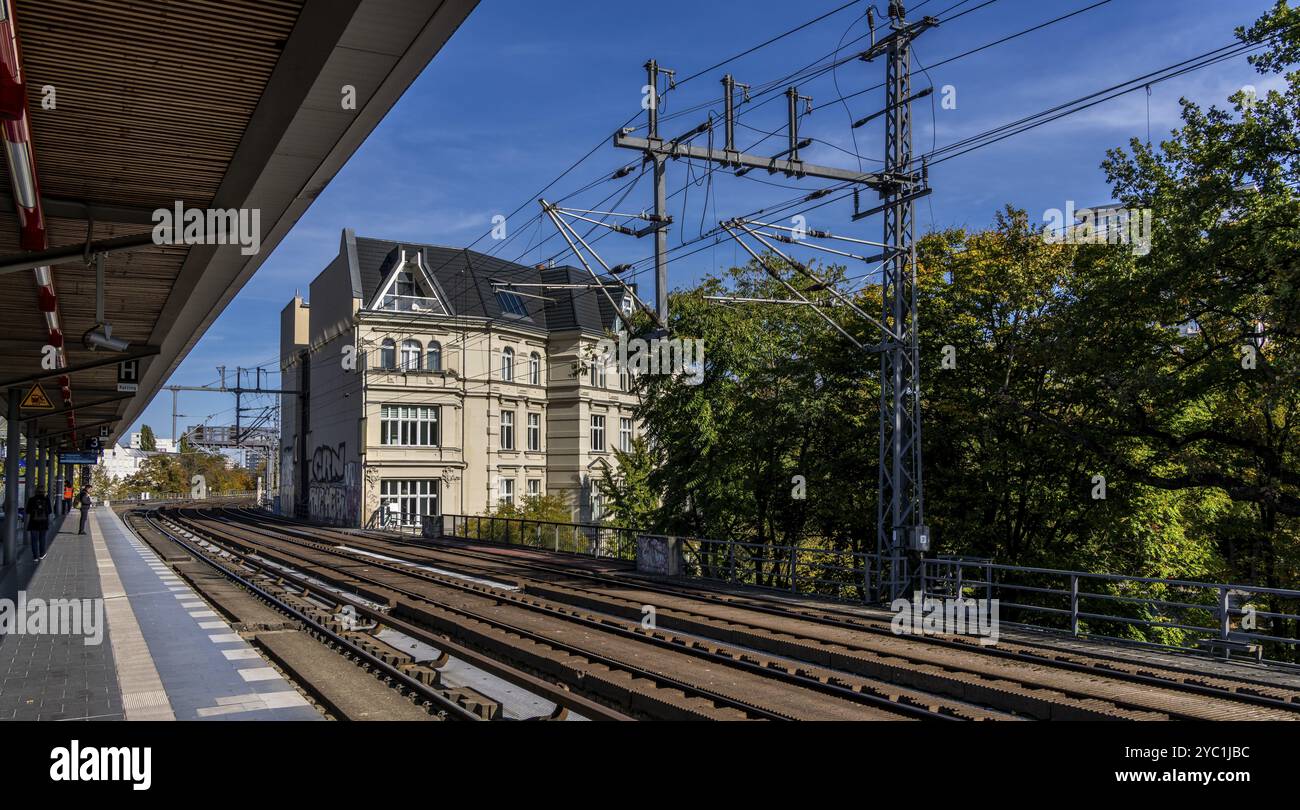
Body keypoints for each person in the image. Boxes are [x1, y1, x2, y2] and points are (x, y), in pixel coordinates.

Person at [24, 489, 52, 562]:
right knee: (42, 539)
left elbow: (27, 511)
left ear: (35, 492)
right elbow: (50, 511)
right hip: (43, 523)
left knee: (34, 540)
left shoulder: (31, 499)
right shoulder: (46, 500)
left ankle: (35, 557)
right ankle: (42, 554)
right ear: (44, 492)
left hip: (33, 523)